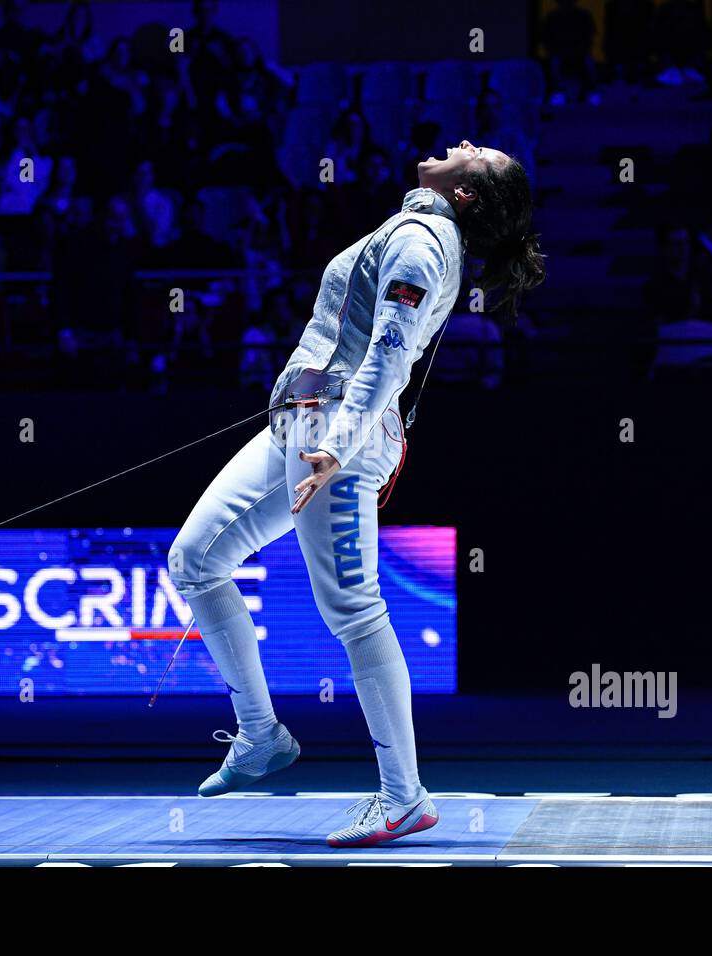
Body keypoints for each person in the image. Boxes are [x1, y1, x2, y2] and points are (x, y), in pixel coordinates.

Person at [167, 140, 544, 847]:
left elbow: (387, 358)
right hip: (302, 425)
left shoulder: (422, 243)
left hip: (339, 435)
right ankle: (260, 735)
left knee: (354, 607)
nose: (462, 144)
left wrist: (336, 448)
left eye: (476, 153)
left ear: (466, 193)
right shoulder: (413, 229)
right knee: (195, 560)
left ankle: (404, 796)